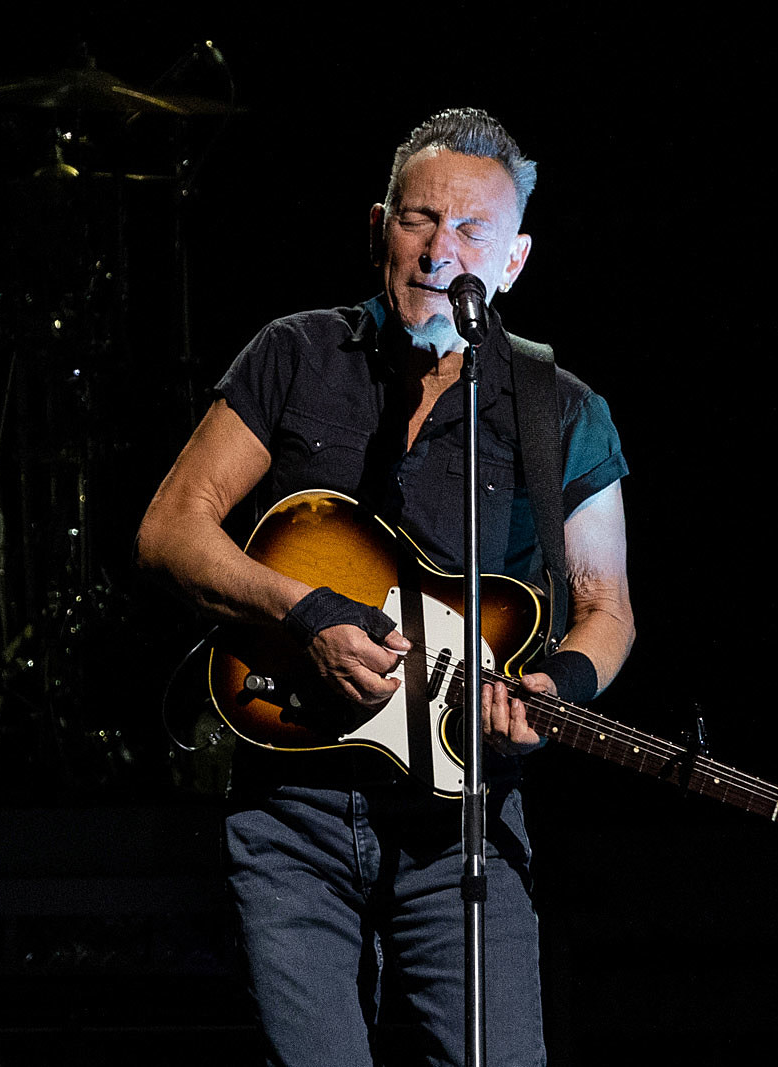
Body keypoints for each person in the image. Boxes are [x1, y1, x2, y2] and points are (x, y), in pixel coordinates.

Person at [136, 106, 634, 1066]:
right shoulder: (295, 353)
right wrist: (305, 612)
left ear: (515, 261)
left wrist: (555, 687)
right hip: (292, 801)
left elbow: (605, 607)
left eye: (473, 230)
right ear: (379, 229)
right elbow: (169, 531)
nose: (441, 250)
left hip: (461, 824)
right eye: (419, 219)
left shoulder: (562, 409)